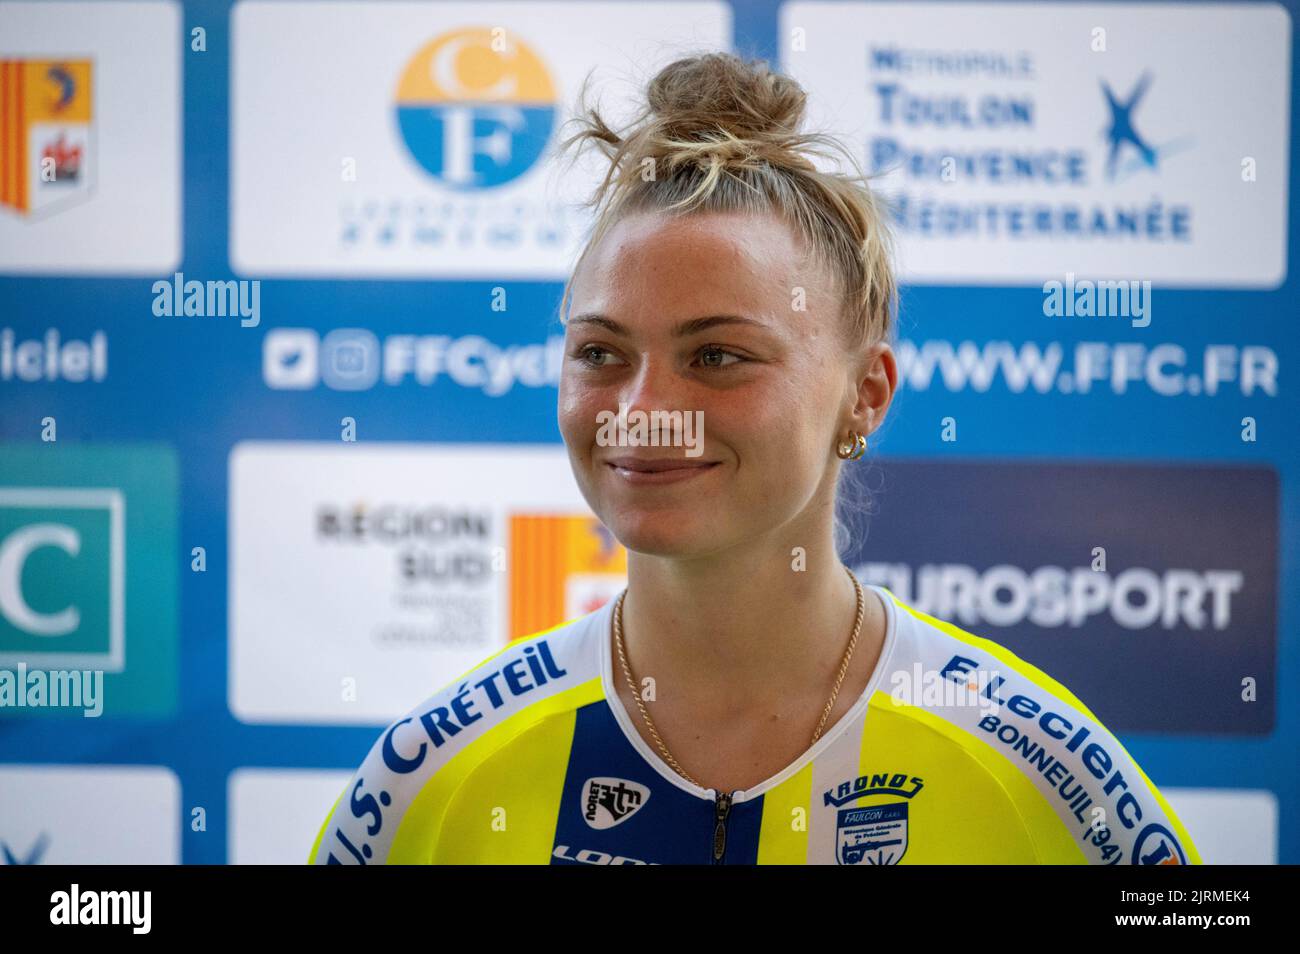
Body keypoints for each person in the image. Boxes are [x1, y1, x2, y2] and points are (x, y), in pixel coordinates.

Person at [309, 51, 1200, 865]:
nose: (643, 411)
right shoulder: (440, 773)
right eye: (599, 353)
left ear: (867, 394)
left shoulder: (1041, 775)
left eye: (718, 356)